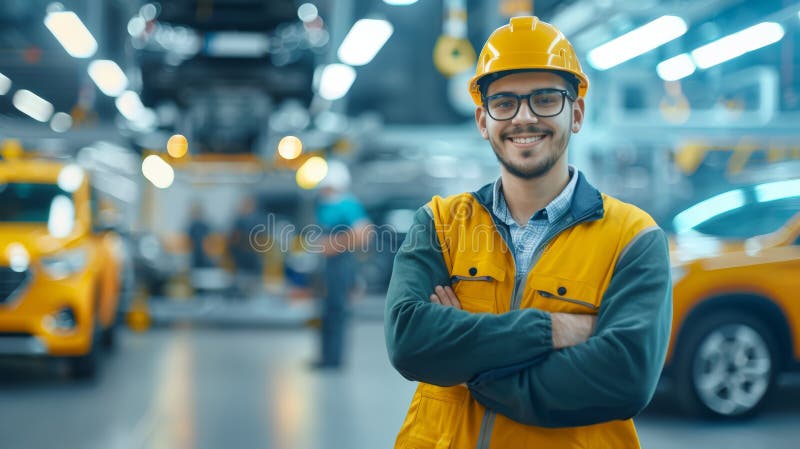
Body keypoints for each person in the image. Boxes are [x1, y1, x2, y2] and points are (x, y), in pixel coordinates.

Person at [384, 16, 672, 448]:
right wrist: (551, 331)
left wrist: (468, 359)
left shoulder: (632, 237)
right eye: (504, 103)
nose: (524, 117)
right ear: (483, 120)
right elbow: (409, 342)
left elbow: (624, 376)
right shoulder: (441, 222)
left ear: (576, 113)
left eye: (544, 99)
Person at [311, 159, 372, 369]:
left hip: (341, 263)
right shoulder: (323, 203)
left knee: (337, 310)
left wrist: (335, 244)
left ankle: (334, 360)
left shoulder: (347, 204)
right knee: (326, 311)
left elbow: (364, 233)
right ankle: (326, 357)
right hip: (328, 265)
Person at [229, 196, 264, 298]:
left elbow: (260, 242)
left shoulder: (257, 221)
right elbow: (233, 242)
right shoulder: (238, 222)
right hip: (240, 265)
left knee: (254, 291)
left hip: (254, 265)